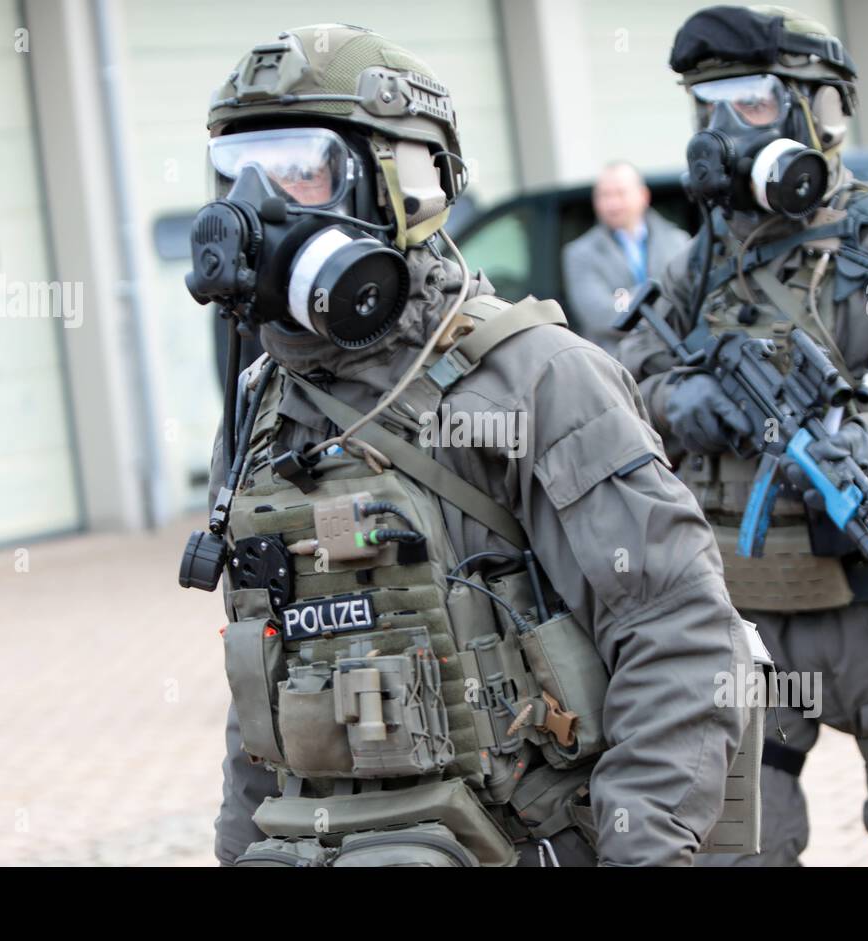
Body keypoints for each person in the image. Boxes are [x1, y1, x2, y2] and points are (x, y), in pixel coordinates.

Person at [191, 23, 751, 867]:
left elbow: (677, 634)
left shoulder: (537, 376)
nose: (260, 201)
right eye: (238, 170)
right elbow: (259, 692)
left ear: (403, 183)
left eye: (302, 166)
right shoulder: (264, 399)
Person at [618, 4, 868, 866]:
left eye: (753, 105)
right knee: (736, 848)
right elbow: (627, 384)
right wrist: (685, 402)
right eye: (710, 107)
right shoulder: (703, 259)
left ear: (820, 111)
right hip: (743, 615)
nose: (724, 129)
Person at [562, 162, 692, 354]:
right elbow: (600, 314)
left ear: (643, 196)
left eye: (620, 193)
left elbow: (689, 299)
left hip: (675, 354)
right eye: (604, 195)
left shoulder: (678, 241)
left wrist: (628, 298)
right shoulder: (579, 253)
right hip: (615, 361)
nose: (612, 203)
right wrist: (661, 303)